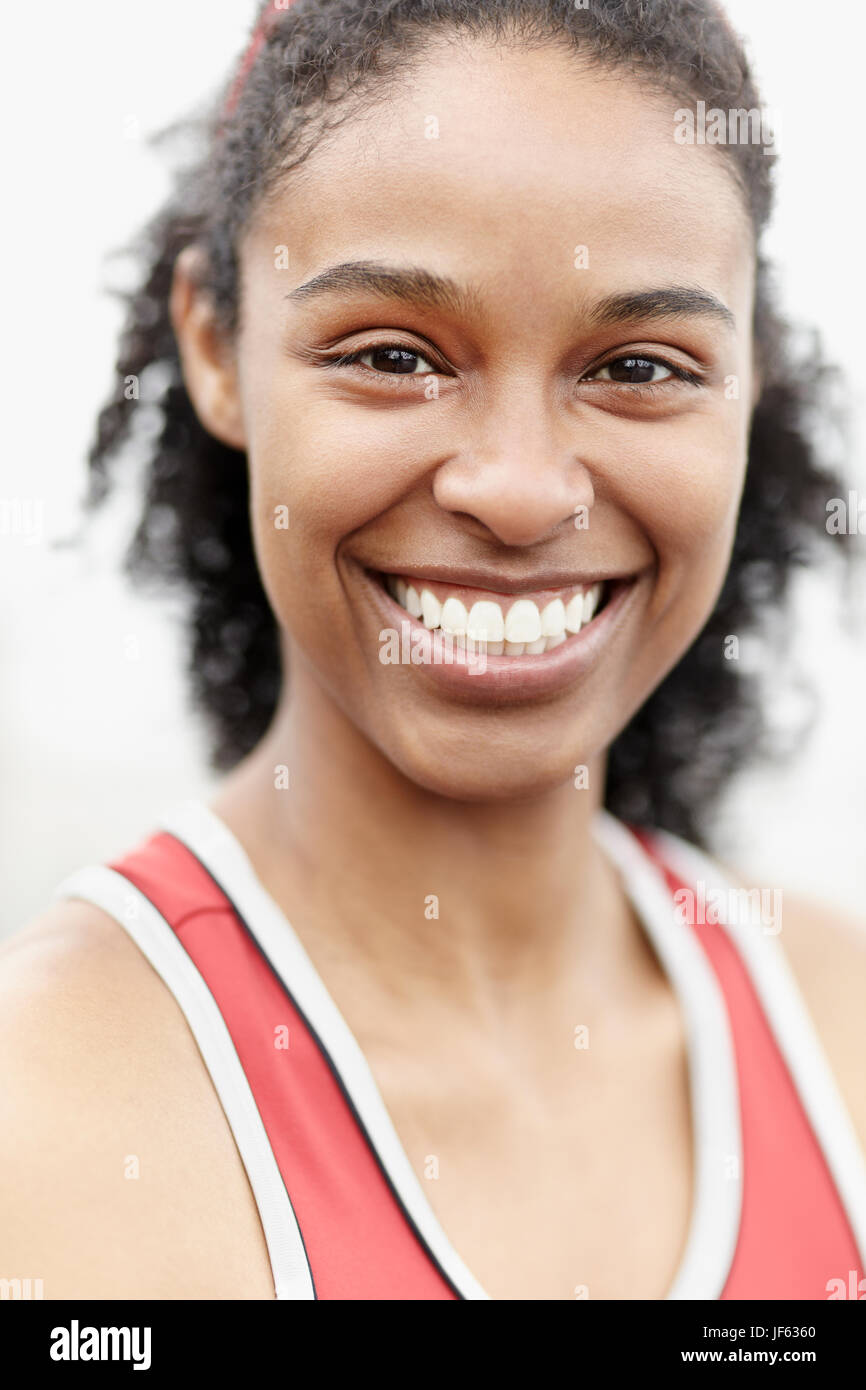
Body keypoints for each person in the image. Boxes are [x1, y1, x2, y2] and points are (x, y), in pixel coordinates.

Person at [2, 0, 865, 1301]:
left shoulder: (839, 1028)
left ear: (745, 382)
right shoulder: (51, 1117)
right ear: (216, 345)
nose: (518, 490)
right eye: (394, 354)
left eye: (638, 364)